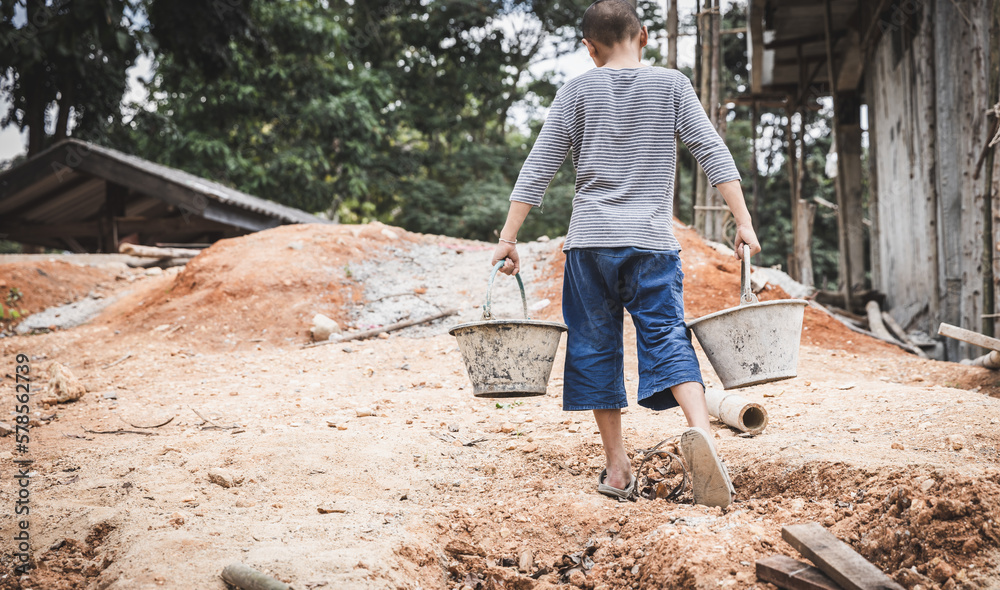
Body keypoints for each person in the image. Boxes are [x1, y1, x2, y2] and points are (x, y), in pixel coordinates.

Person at [489, 0, 760, 509]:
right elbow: (711, 151)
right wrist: (742, 222)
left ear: (589, 48)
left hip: (590, 244)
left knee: (594, 347)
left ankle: (617, 469)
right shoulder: (672, 85)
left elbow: (539, 166)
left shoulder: (576, 90)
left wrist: (509, 238)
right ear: (644, 36)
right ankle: (702, 434)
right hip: (651, 241)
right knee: (667, 335)